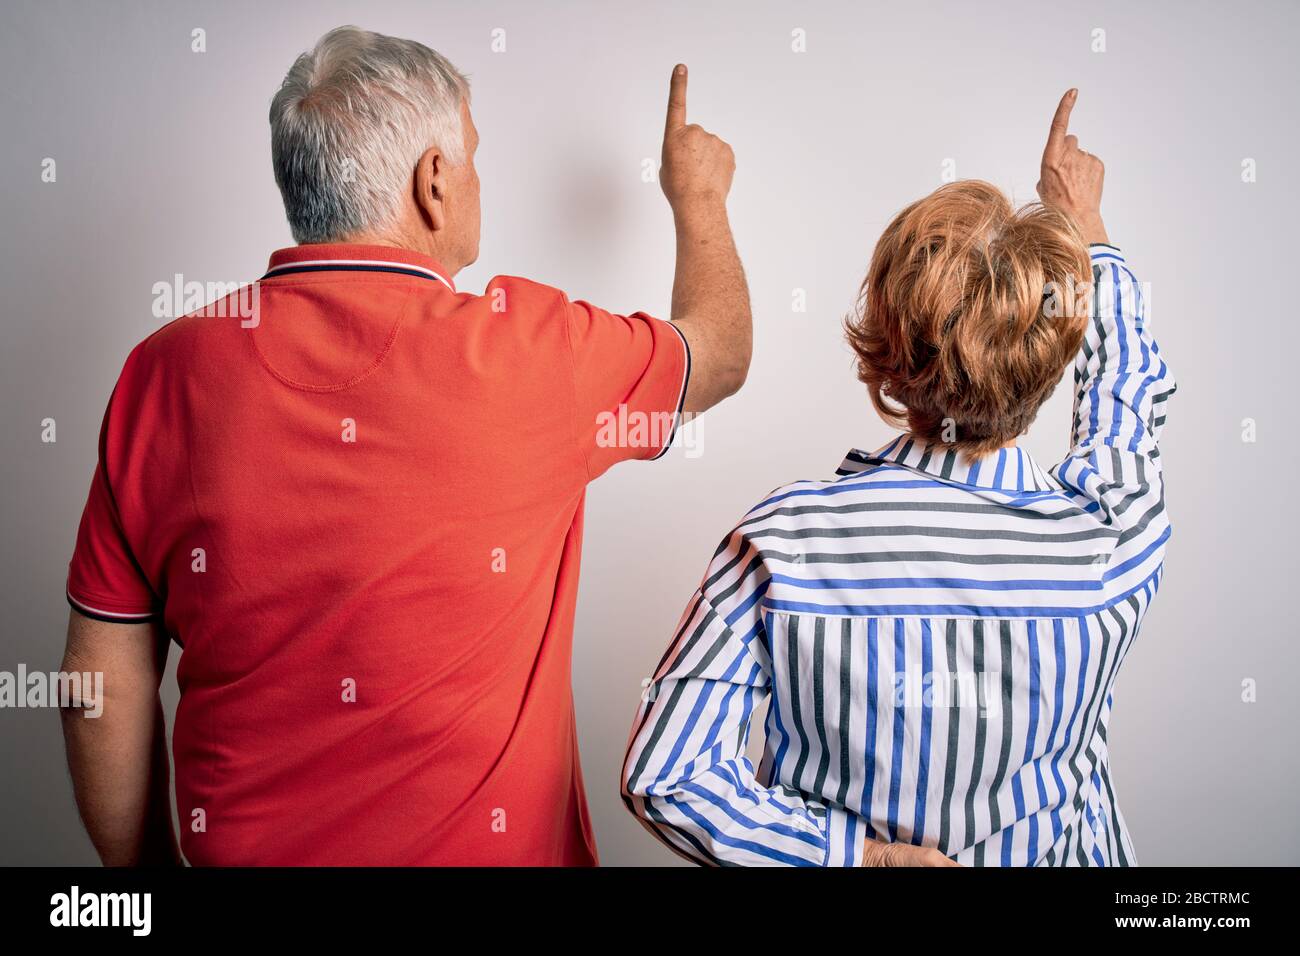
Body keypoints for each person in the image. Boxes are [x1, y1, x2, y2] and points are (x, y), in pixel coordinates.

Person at [59, 26, 749, 866]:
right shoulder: (531, 352)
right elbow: (717, 352)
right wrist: (699, 195)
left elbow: (97, 686)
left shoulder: (162, 374)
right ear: (433, 183)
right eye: (472, 159)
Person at [622, 90, 1175, 866]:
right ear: (1054, 358)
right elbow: (1129, 397)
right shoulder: (1108, 541)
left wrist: (861, 859)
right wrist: (1086, 227)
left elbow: (669, 778)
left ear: (882, 346)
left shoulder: (782, 543)